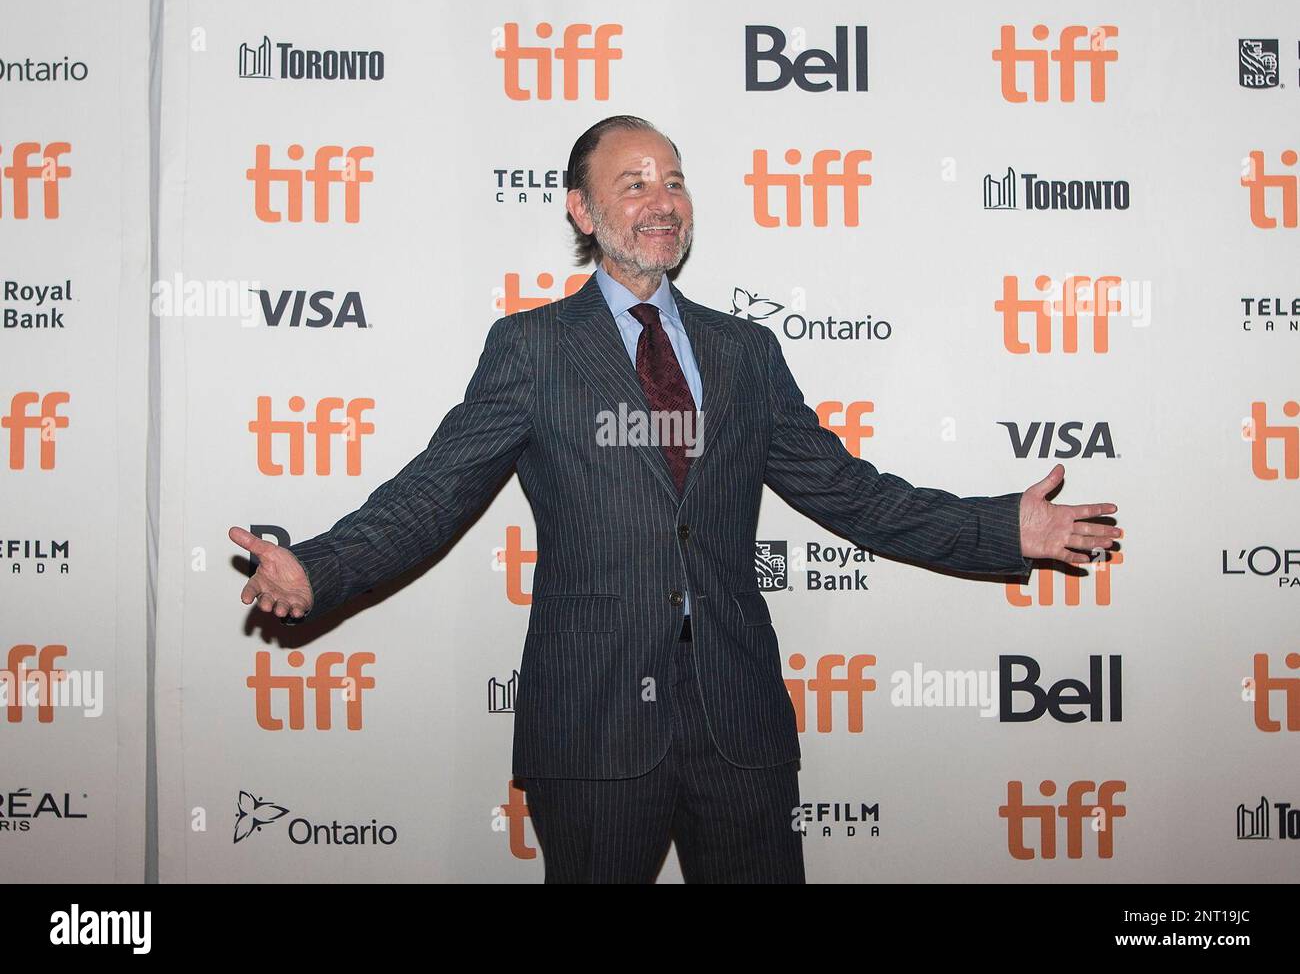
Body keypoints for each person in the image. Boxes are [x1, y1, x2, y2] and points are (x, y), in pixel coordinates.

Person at [228, 115, 1121, 884]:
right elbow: (436, 489)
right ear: (581, 210)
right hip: (593, 714)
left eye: (676, 180)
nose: (664, 200)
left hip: (738, 714)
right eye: (634, 182)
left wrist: (1003, 526)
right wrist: (321, 566)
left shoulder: (746, 352)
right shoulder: (533, 350)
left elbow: (850, 494)